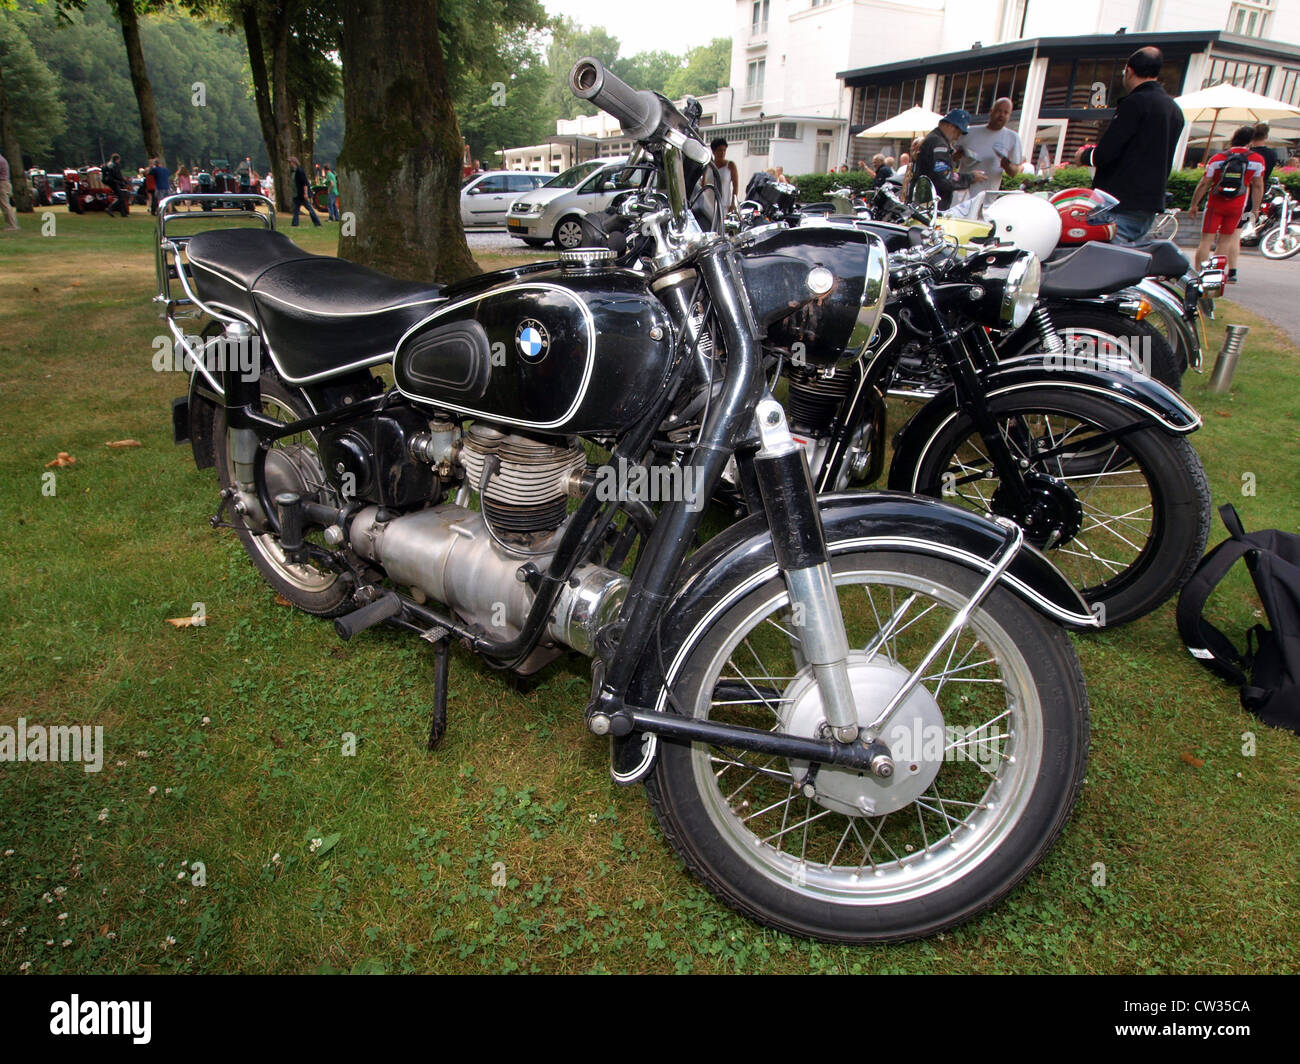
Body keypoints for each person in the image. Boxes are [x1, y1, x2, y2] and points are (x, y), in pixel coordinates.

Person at [1076, 47, 1184, 244]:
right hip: (1149, 203)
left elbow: (1106, 153)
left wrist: (1084, 156)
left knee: (1105, 266)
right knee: (1128, 265)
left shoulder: (1135, 103)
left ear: (1129, 70)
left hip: (1119, 201)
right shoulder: (1174, 109)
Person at [1189, 125, 1264, 285]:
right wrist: (1255, 208)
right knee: (1225, 241)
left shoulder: (1218, 158)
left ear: (1233, 138)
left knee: (1206, 241)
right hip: (1237, 204)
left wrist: (1194, 203)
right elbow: (1257, 185)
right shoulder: (1257, 159)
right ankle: (1214, 276)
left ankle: (1198, 274)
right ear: (1250, 141)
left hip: (1215, 203)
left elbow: (1205, 182)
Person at [912, 109, 985, 210]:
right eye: (958, 132)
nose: (958, 137)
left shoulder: (933, 138)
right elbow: (944, 179)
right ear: (951, 126)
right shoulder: (939, 143)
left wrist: (953, 159)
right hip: (931, 204)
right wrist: (971, 177)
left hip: (924, 200)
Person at [956, 97, 1023, 198]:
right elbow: (951, 156)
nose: (1001, 115)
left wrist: (1006, 165)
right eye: (999, 111)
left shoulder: (1013, 138)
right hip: (961, 194)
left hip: (987, 197)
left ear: (1009, 116)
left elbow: (1014, 173)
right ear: (991, 112)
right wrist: (958, 155)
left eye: (1006, 112)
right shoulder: (969, 132)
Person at [703, 137, 739, 216]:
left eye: (724, 150)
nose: (722, 153)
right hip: (708, 205)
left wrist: (733, 204)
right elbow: (703, 186)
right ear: (713, 151)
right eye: (720, 150)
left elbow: (735, 186)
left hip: (723, 205)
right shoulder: (707, 166)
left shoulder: (730, 165)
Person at [288, 155, 321, 227]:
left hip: (301, 194)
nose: (289, 164)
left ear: (294, 162)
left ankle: (317, 223)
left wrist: (305, 194)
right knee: (296, 210)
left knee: (309, 209)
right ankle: (294, 224)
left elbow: (304, 183)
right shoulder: (293, 171)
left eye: (290, 162)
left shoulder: (299, 171)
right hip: (296, 194)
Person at [0, 152, 18, 231]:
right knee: (5, 205)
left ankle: (13, 225)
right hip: (3, 183)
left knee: (5, 205)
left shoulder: (0, 160)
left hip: (2, 184)